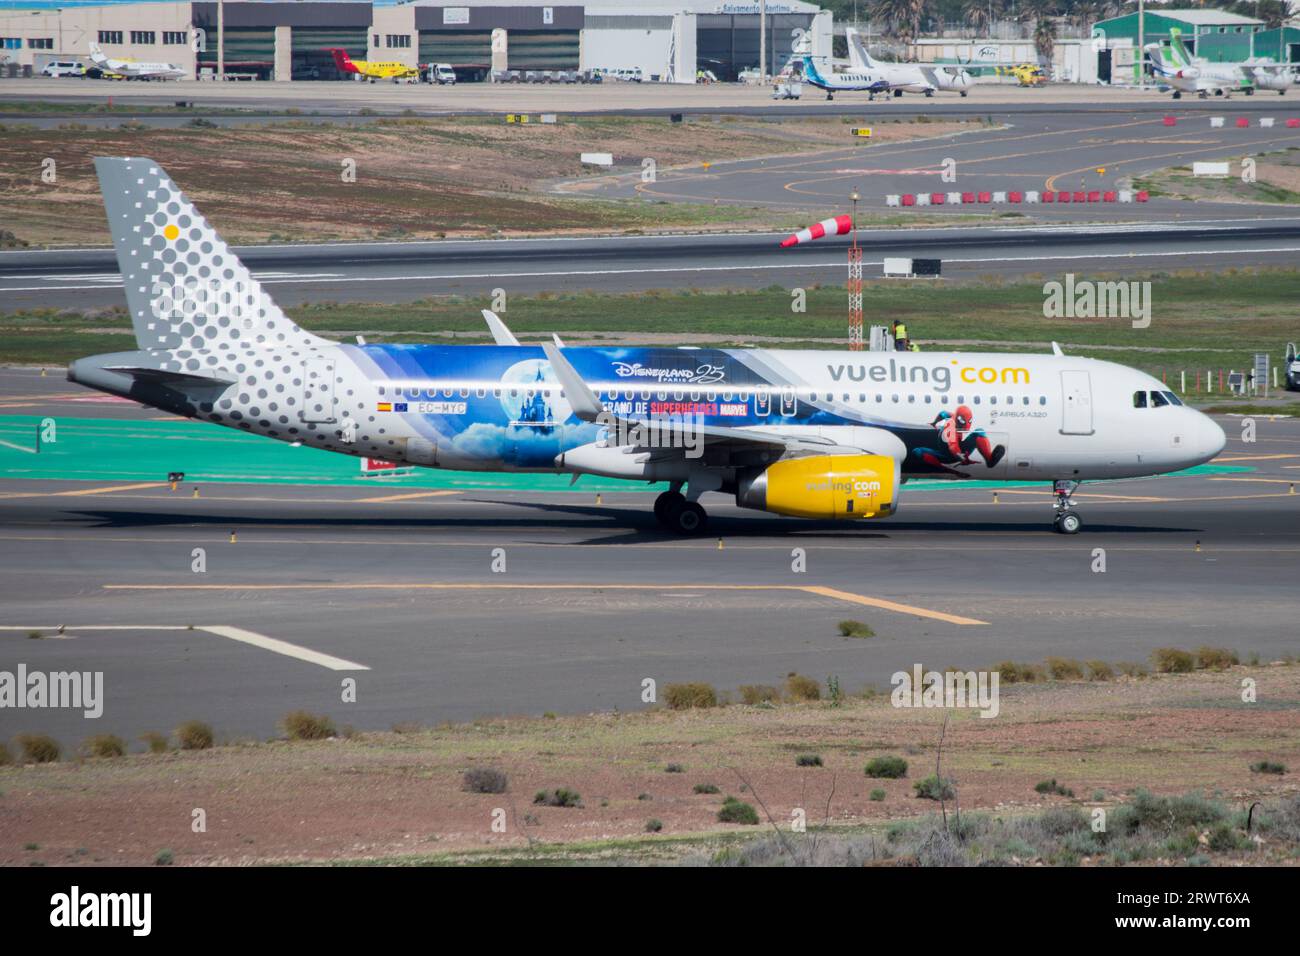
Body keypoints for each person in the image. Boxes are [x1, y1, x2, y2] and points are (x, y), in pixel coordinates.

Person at [913, 405, 1006, 476]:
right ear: (958, 420)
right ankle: (947, 470)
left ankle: (989, 459)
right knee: (918, 452)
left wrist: (934, 422)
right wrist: (961, 457)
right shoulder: (951, 426)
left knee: (979, 432)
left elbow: (942, 413)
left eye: (969, 422)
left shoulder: (952, 416)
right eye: (963, 423)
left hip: (961, 451)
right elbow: (953, 446)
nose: (966, 426)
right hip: (947, 456)